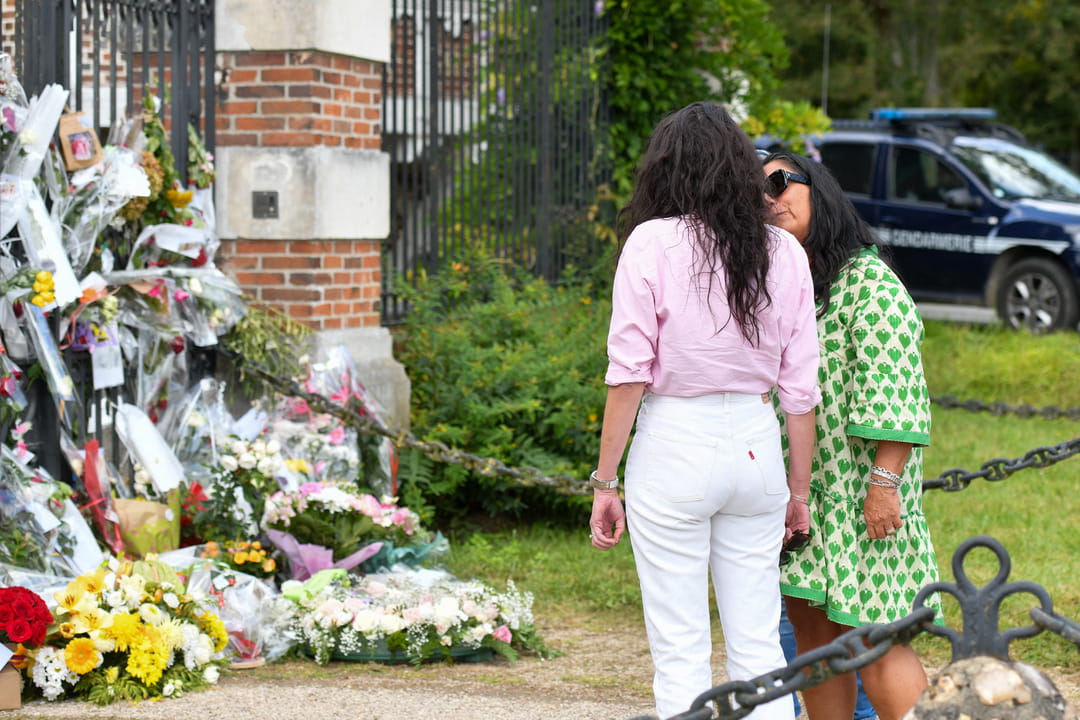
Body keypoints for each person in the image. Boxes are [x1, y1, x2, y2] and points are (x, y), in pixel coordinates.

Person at [588, 102, 821, 720]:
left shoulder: (652, 242)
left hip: (674, 444)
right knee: (758, 644)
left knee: (681, 646)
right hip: (756, 444)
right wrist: (798, 491)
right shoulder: (785, 253)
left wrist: (605, 481)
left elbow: (629, 373)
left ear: (666, 171)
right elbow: (800, 392)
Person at [761, 150, 941, 720]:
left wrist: (884, 485)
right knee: (814, 644)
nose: (770, 197)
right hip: (805, 503)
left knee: (873, 641)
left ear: (820, 190)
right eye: (756, 193)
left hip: (864, 499)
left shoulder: (870, 282)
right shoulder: (789, 285)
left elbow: (902, 394)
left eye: (781, 181)